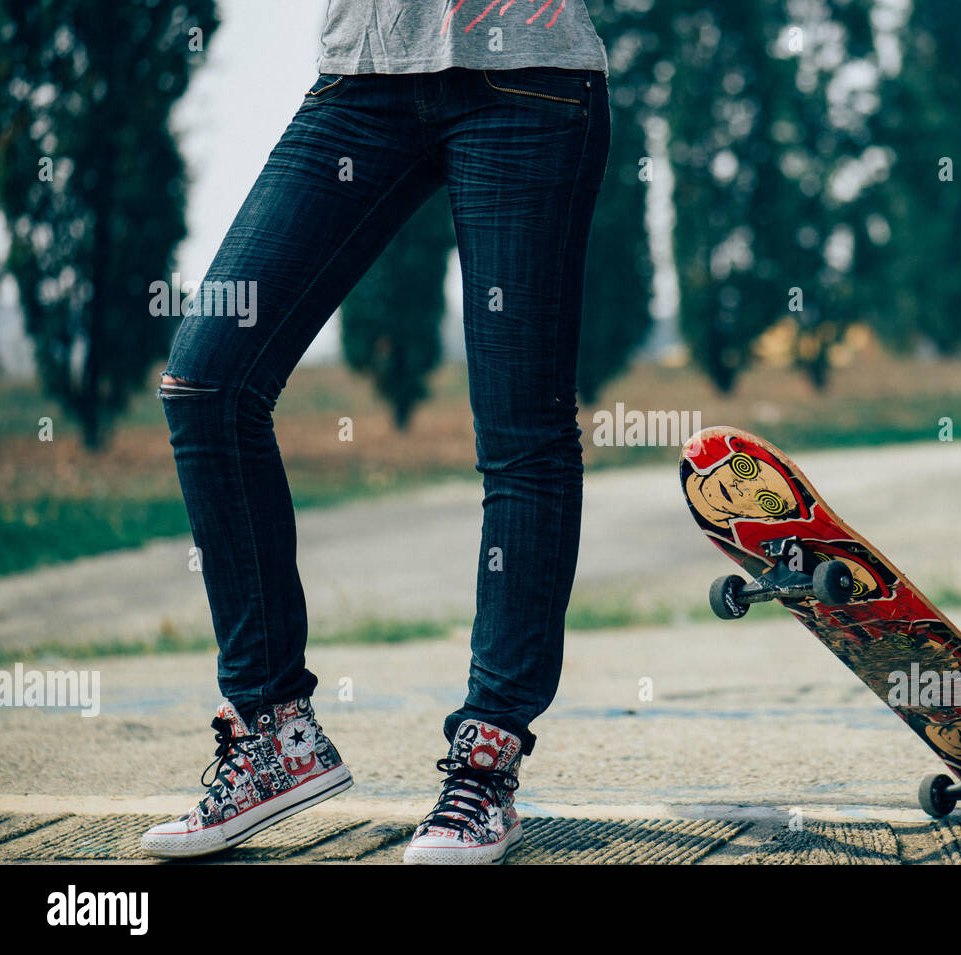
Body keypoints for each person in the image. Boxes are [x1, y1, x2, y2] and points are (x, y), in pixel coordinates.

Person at [142, 1, 610, 864]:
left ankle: (487, 761)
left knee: (522, 433)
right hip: (364, 74)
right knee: (206, 381)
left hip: (531, 80)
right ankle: (275, 733)